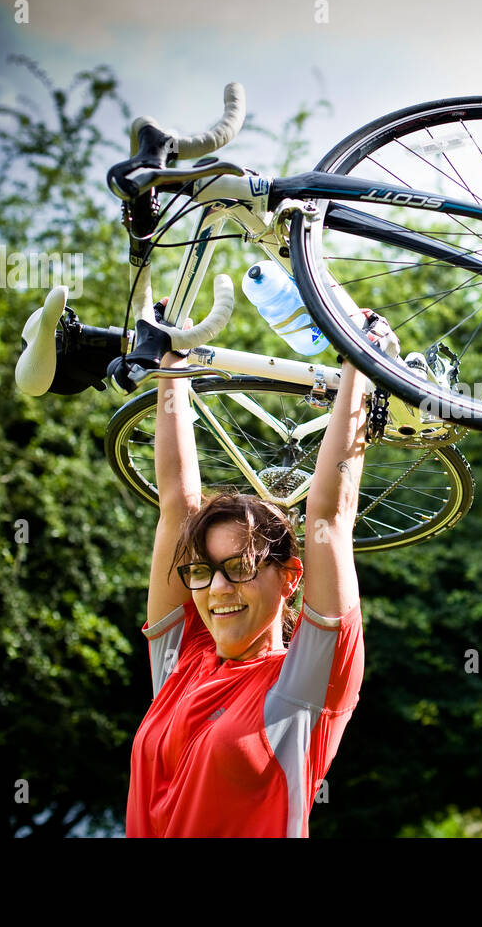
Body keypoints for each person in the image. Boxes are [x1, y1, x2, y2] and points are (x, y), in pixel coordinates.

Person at [126, 310, 389, 837]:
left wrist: (361, 362)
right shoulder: (182, 664)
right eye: (204, 570)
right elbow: (177, 505)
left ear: (289, 576)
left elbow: (330, 517)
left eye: (240, 568)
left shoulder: (305, 685)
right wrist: (171, 362)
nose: (217, 588)